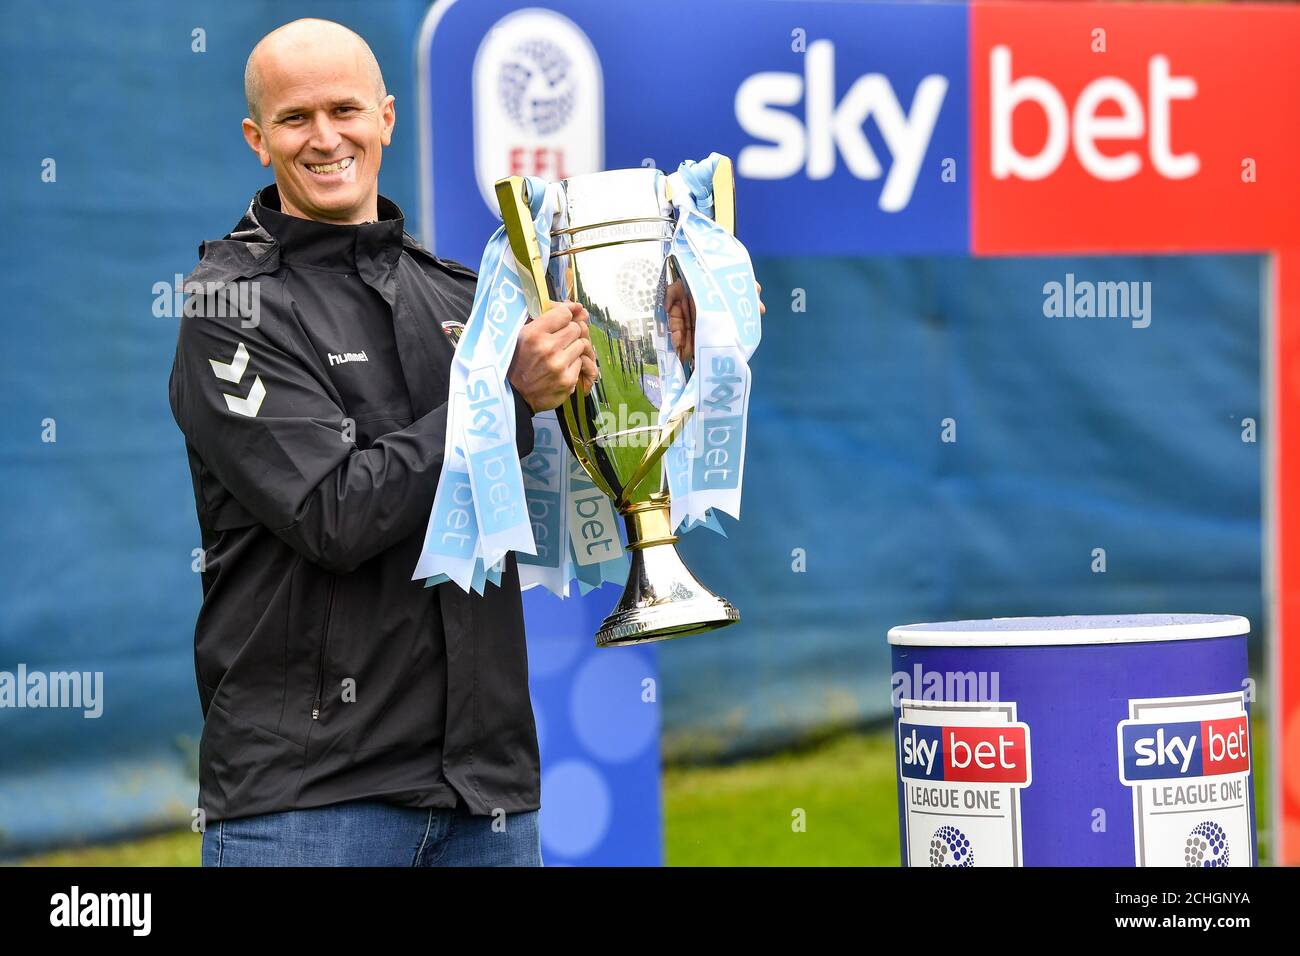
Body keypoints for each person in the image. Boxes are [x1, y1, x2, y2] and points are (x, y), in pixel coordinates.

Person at [168, 18, 597, 867]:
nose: (326, 138)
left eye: (345, 110)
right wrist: (504, 400)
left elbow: (577, 466)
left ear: (386, 119)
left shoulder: (465, 296)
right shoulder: (229, 310)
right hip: (310, 805)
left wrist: (664, 345)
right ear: (259, 140)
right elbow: (335, 513)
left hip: (489, 798)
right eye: (295, 119)